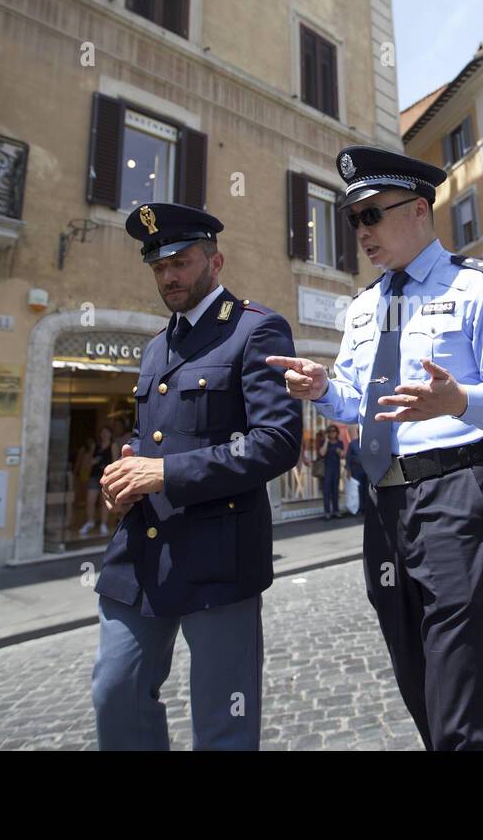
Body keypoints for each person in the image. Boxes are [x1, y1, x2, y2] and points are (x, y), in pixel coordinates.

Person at [266, 145, 483, 750]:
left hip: (455, 490)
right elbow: (353, 401)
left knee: (461, 673)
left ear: (418, 209)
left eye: (372, 215)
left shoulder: (479, 288)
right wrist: (321, 389)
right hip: (383, 501)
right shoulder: (363, 307)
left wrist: (459, 401)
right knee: (414, 667)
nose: (361, 231)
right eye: (353, 219)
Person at [91, 202, 302, 751]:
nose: (168, 277)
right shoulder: (157, 345)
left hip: (219, 553)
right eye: (159, 268)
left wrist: (163, 472)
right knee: (115, 691)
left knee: (223, 720)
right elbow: (154, 438)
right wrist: (126, 475)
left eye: (180, 262)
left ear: (216, 261)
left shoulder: (256, 330)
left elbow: (277, 443)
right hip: (141, 551)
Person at [81, 425, 116, 537]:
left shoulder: (113, 445)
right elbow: (88, 461)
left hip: (106, 476)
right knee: (90, 499)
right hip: (94, 475)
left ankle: (103, 523)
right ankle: (90, 521)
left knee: (104, 501)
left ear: (110, 434)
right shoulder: (95, 446)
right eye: (102, 432)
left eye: (106, 432)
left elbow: (115, 461)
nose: (104, 434)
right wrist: (92, 462)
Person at [318, 424, 345, 519]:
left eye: (334, 431)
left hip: (336, 470)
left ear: (337, 432)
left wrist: (339, 451)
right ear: (327, 433)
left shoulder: (339, 443)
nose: (332, 433)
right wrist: (326, 441)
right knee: (326, 492)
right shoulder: (324, 442)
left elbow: (342, 456)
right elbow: (322, 453)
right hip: (326, 470)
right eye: (330, 431)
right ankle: (327, 512)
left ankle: (336, 510)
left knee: (335, 491)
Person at [344, 429, 368, 517]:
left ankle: (366, 508)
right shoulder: (352, 444)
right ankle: (359, 508)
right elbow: (348, 458)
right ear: (358, 432)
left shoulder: (368, 443)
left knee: (366, 490)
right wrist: (348, 470)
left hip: (367, 470)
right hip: (356, 470)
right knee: (358, 490)